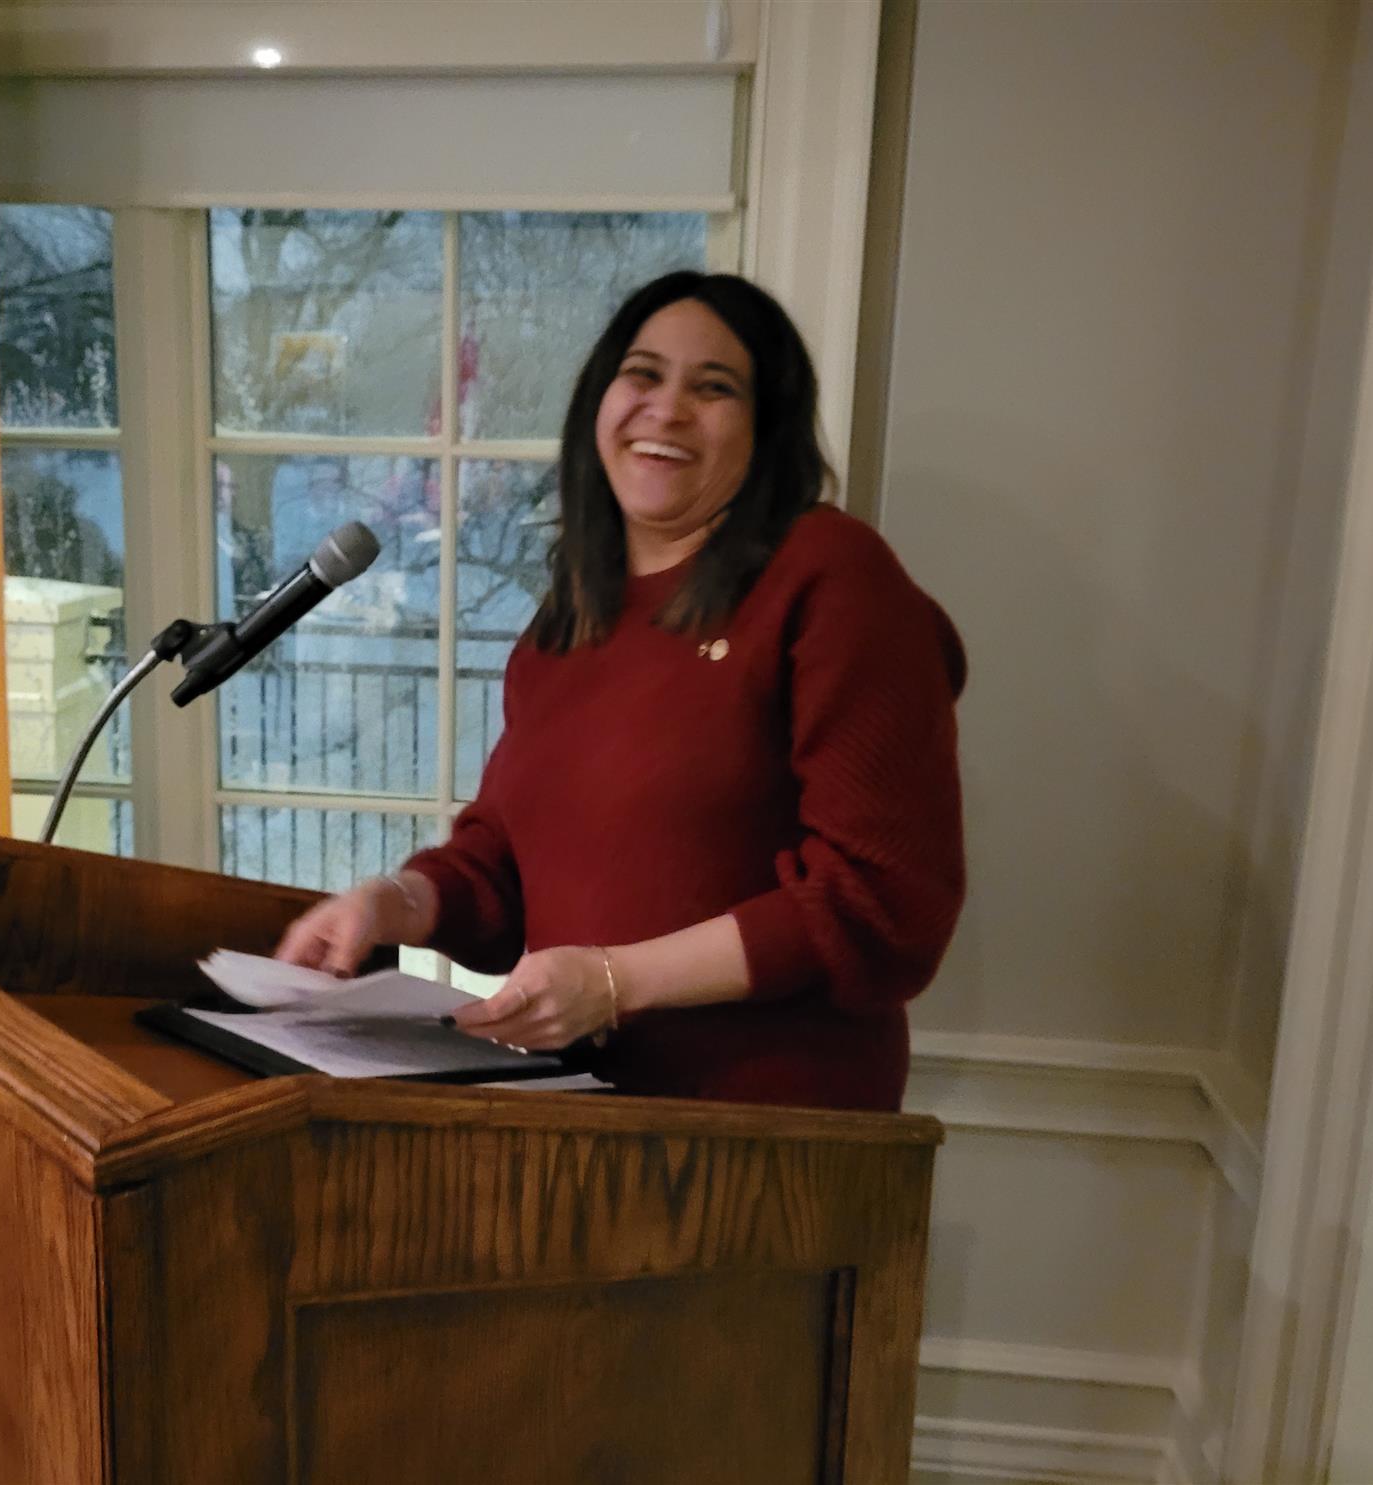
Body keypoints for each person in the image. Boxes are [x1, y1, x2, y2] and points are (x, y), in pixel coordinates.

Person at [275, 271, 966, 1111]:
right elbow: (497, 863)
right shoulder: (564, 628)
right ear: (598, 403)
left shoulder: (830, 574)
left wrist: (614, 981)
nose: (667, 409)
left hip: (771, 1140)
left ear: (767, 427)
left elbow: (883, 900)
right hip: (578, 1118)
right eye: (643, 375)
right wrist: (394, 902)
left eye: (714, 388)